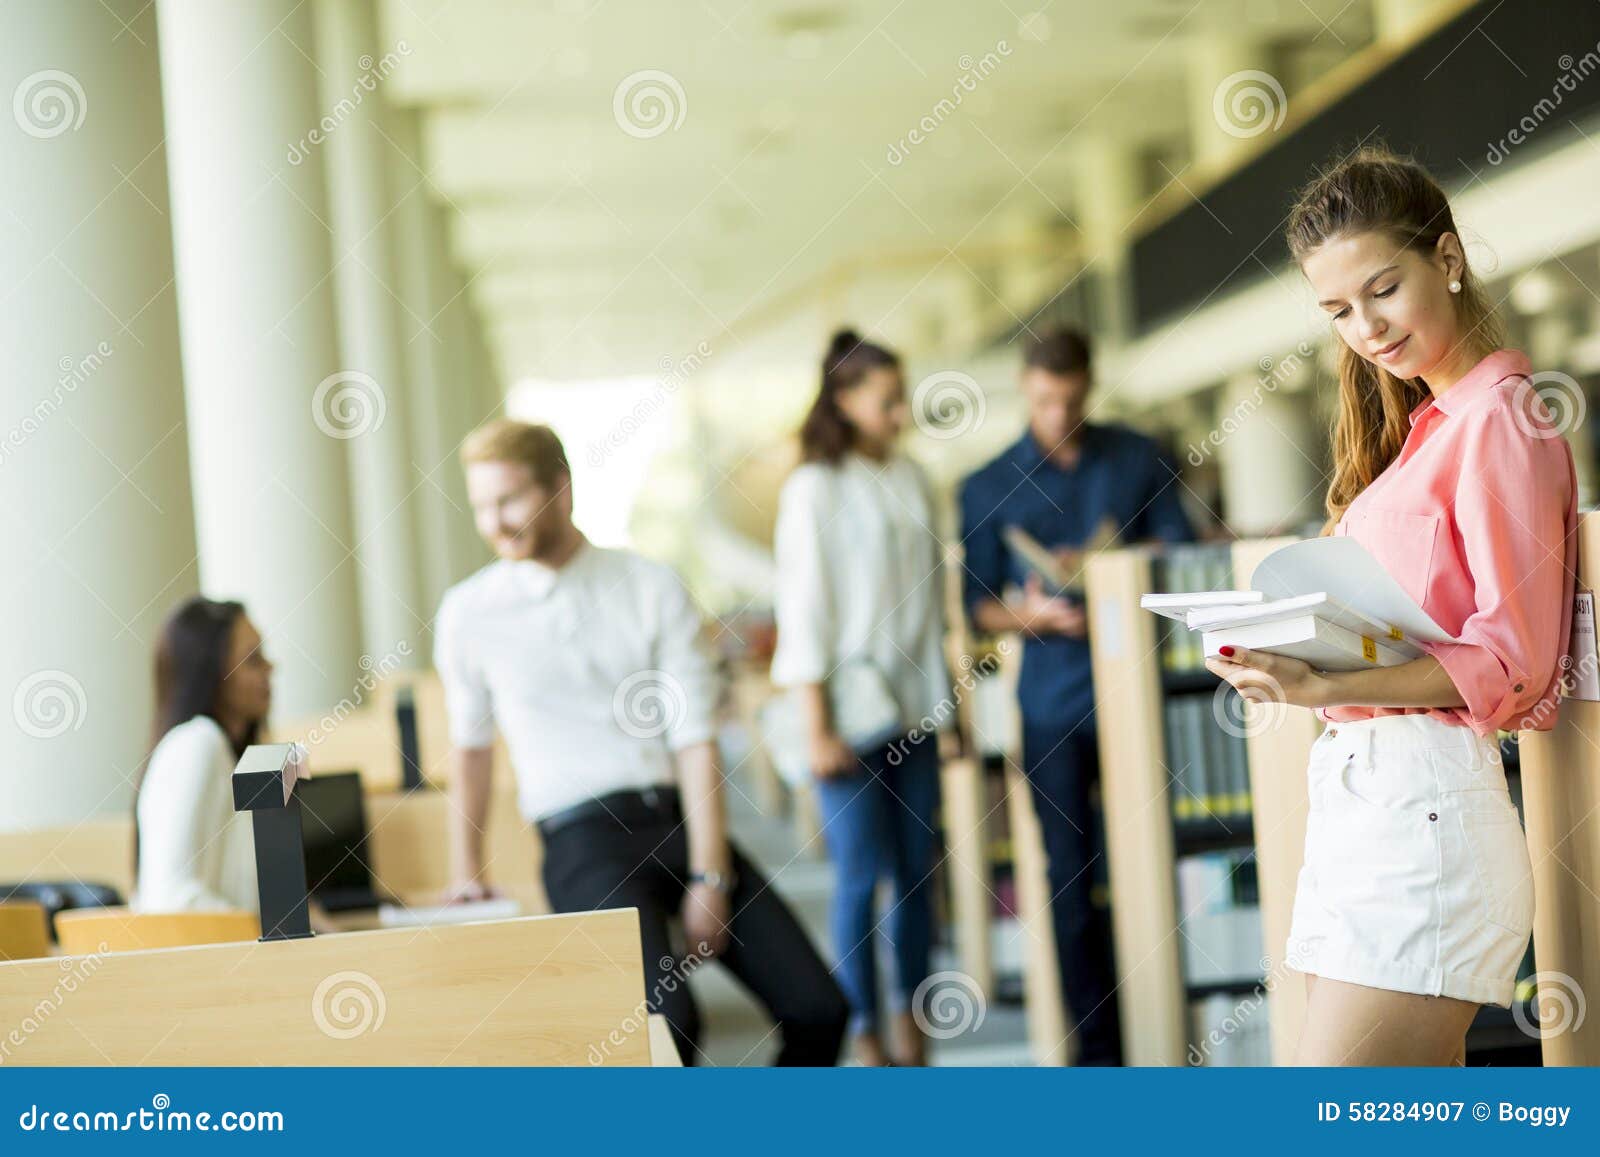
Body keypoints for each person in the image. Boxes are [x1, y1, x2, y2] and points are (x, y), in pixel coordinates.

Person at [1208, 146, 1577, 1066]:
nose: (1365, 327)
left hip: (1428, 823)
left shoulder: (1499, 420)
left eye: (1383, 289)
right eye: (1337, 310)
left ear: (1447, 259)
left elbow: (1516, 663)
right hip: (1365, 816)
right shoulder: (1424, 430)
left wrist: (1321, 679)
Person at [437, 418, 848, 1066]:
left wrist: (711, 876)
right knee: (670, 1026)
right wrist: (468, 870)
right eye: (481, 505)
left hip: (677, 820)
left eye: (509, 499)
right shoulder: (469, 612)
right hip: (581, 842)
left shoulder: (649, 584)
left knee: (820, 1007)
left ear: (560, 490)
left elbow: (694, 739)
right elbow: (471, 749)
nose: (494, 522)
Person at [958, 325, 1196, 1065]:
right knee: (1070, 875)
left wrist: (1120, 567)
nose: (1057, 415)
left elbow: (1180, 549)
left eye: (1069, 399)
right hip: (1053, 704)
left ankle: (1164, 1029)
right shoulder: (988, 484)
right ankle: (1097, 1052)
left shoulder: (1137, 456)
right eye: (1042, 401)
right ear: (1025, 390)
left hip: (1138, 694)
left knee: (1152, 861)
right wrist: (1026, 614)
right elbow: (977, 607)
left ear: (1089, 386)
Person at [770, 329, 954, 1067]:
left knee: (917, 876)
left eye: (903, 396)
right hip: (843, 716)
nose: (902, 412)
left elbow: (936, 606)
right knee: (858, 876)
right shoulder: (815, 486)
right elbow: (804, 611)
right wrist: (815, 725)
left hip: (915, 706)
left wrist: (952, 706)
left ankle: (914, 1023)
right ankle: (866, 1030)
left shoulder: (912, 477)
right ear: (844, 402)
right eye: (887, 400)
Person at [133, 597, 270, 914]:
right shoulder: (198, 744)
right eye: (253, 659)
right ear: (211, 672)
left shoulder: (221, 751)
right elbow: (173, 903)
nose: (270, 668)